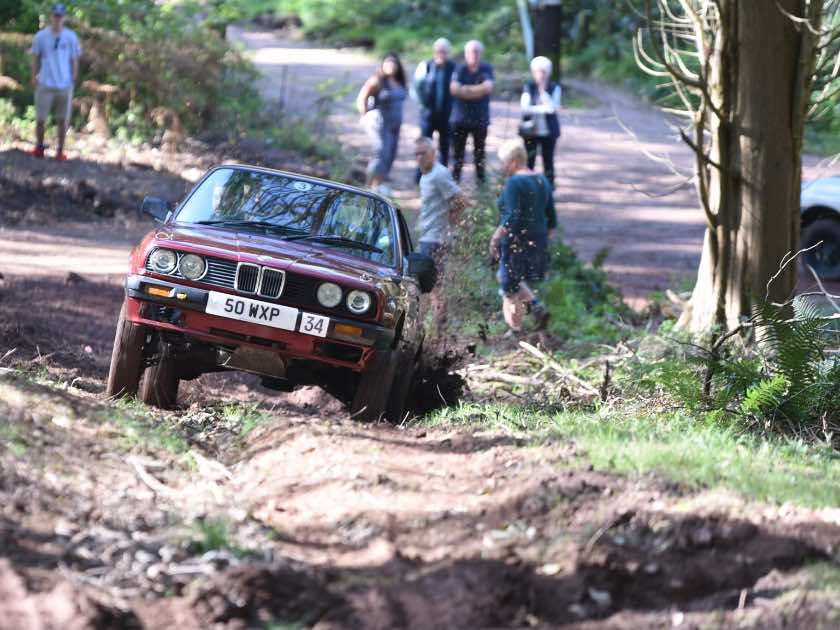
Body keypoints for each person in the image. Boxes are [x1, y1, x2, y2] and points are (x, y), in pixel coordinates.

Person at [489, 140, 557, 334]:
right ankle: (536, 307)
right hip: (538, 240)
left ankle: (515, 332)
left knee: (508, 288)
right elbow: (551, 217)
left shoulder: (514, 182)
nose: (502, 167)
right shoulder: (542, 179)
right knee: (508, 278)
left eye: (503, 162)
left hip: (515, 242)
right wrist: (543, 242)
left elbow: (512, 217)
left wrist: (495, 238)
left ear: (513, 161)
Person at [415, 136, 467, 323]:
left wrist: (453, 220)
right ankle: (430, 326)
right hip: (427, 237)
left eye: (423, 153)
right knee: (427, 287)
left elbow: (460, 199)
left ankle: (438, 330)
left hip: (435, 239)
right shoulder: (425, 175)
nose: (419, 157)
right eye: (417, 154)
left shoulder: (439, 174)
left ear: (433, 153)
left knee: (433, 287)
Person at [29, 3, 82, 161]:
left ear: (64, 18)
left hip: (64, 84)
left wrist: (73, 77)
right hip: (45, 82)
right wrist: (34, 76)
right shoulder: (41, 36)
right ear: (51, 16)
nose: (57, 19)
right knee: (40, 119)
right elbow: (35, 57)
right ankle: (39, 147)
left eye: (60, 16)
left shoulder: (71, 37)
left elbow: (74, 59)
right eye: (55, 15)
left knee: (62, 120)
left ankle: (60, 151)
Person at [356, 52, 407, 194]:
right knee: (380, 152)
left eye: (393, 62)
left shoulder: (399, 81)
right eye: (387, 62)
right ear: (383, 65)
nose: (390, 65)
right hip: (380, 123)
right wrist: (365, 115)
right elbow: (362, 98)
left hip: (395, 124)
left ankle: (378, 185)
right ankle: (369, 187)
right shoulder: (377, 80)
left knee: (390, 154)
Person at [450, 40, 494, 184]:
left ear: (480, 53)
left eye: (476, 51)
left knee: (480, 155)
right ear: (465, 53)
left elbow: (488, 87)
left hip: (480, 119)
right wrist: (477, 90)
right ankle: (454, 186)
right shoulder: (460, 68)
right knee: (458, 155)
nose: (473, 54)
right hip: (459, 119)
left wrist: (465, 90)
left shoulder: (486, 68)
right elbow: (454, 89)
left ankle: (481, 187)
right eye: (470, 51)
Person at [412, 38, 456, 181]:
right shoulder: (425, 66)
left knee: (444, 147)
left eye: (444, 51)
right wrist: (423, 106)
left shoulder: (454, 67)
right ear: (434, 52)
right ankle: (420, 175)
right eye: (438, 51)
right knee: (424, 147)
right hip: (428, 115)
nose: (441, 54)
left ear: (448, 52)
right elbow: (415, 89)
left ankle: (441, 177)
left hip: (446, 116)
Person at [520, 56, 562, 187]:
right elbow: (525, 108)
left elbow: (553, 108)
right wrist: (543, 108)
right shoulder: (528, 86)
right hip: (530, 131)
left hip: (549, 131)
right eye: (538, 71)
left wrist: (543, 92)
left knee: (548, 160)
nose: (541, 75)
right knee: (529, 159)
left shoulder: (554, 87)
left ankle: (550, 188)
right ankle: (528, 187)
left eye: (543, 72)